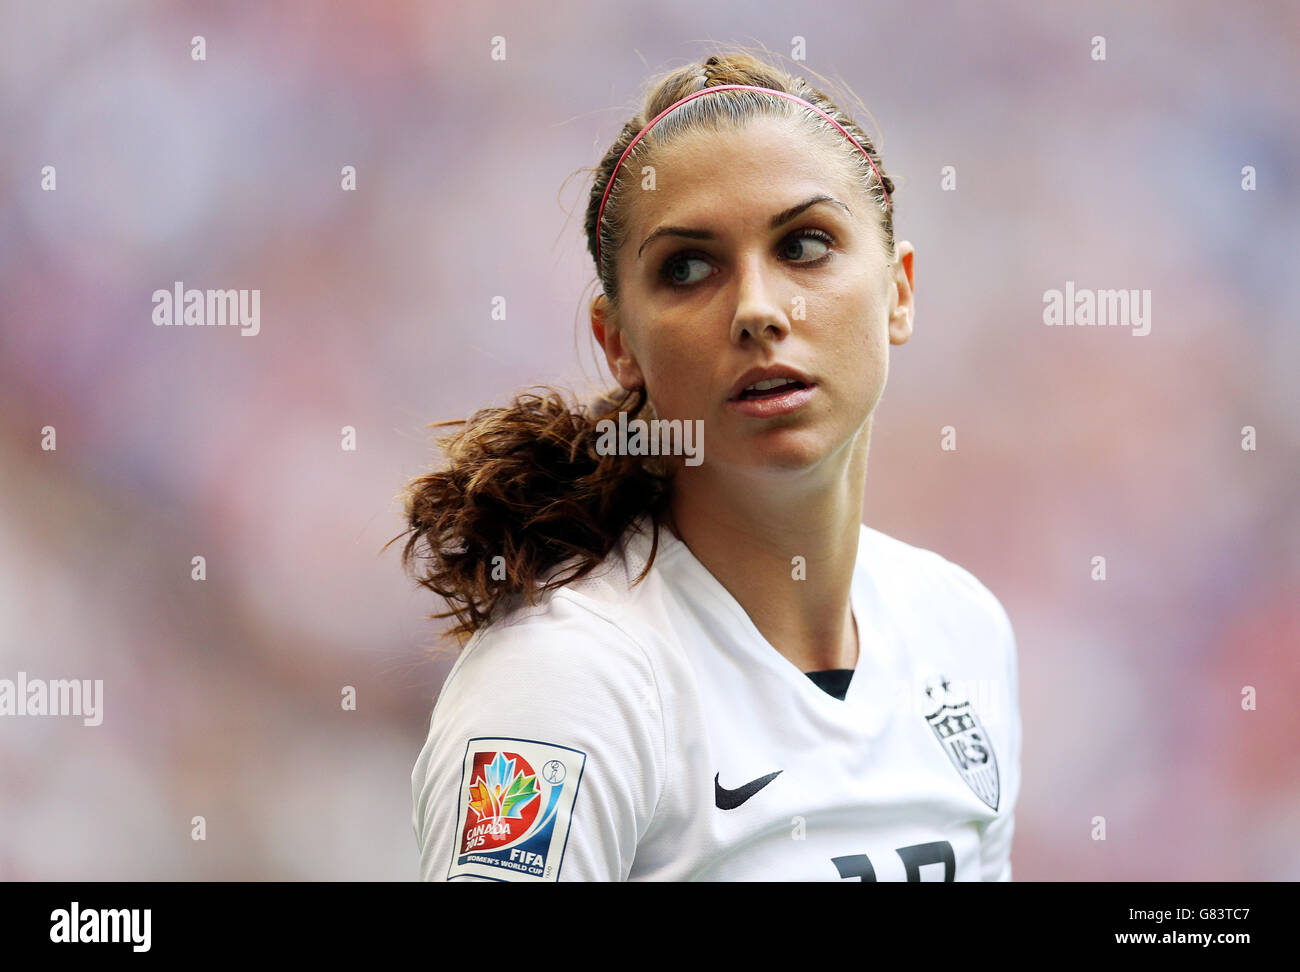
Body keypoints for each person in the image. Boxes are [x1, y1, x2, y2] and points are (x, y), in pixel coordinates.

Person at [395, 50, 1021, 881]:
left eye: (804, 244)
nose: (759, 309)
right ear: (618, 342)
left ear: (898, 291)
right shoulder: (556, 687)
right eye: (688, 267)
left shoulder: (962, 629)